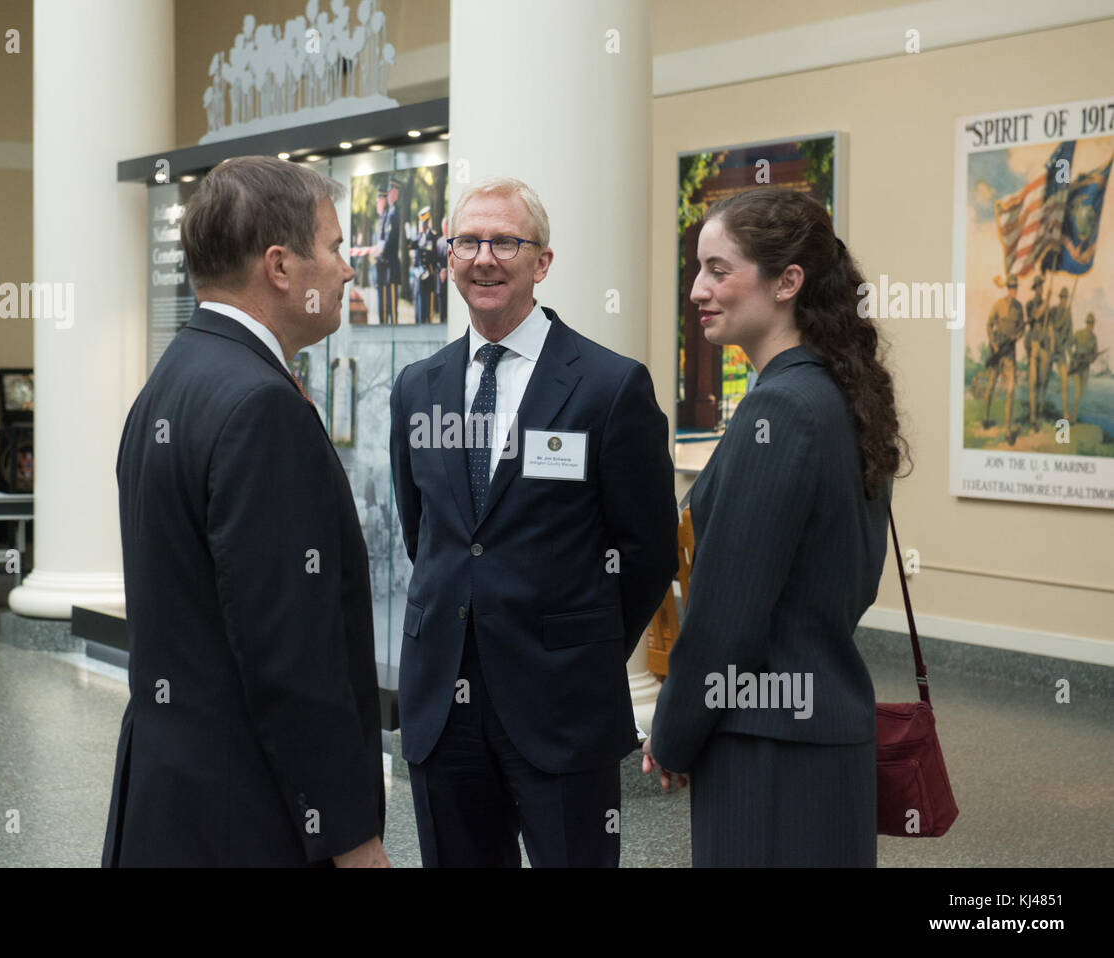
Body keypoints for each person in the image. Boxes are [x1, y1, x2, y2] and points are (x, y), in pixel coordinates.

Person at [103, 156, 388, 868]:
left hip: (173, 796)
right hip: (247, 814)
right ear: (281, 267)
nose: (347, 271)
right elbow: (290, 655)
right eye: (333, 247)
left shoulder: (170, 380)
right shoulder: (261, 406)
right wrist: (350, 837)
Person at [389, 176, 678, 867]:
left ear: (542, 262)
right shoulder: (417, 387)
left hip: (561, 707)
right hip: (443, 707)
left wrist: (579, 646)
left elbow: (647, 552)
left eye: (505, 242)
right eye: (468, 241)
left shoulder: (608, 388)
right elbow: (423, 529)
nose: (484, 257)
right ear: (448, 257)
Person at [643, 187, 908, 867]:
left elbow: (727, 617)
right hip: (822, 735)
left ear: (787, 281)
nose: (698, 288)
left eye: (719, 269)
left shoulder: (783, 411)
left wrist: (672, 733)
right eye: (697, 268)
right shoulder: (834, 395)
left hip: (769, 754)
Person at [982, 273, 1023, 441]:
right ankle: (985, 419)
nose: (1013, 290)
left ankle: (1007, 430)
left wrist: (1017, 336)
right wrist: (993, 343)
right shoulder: (998, 305)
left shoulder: (1019, 307)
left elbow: (1021, 327)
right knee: (991, 385)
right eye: (1011, 287)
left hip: (1010, 353)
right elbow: (989, 323)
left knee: (1011, 390)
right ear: (1008, 288)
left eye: (1016, 287)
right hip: (998, 351)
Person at [375, 177, 402, 323]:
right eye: (389, 192)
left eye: (392, 192)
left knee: (391, 305)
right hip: (384, 265)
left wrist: (379, 251)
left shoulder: (393, 213)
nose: (390, 195)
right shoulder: (387, 214)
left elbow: (390, 238)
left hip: (390, 265)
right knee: (384, 306)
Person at [1024, 274, 1049, 430]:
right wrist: (1046, 303)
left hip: (1044, 345)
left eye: (1042, 285)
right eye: (1038, 285)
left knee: (1043, 380)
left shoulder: (1045, 304)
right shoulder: (1030, 303)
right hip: (1034, 344)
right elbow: (1036, 315)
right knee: (1033, 382)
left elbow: (1049, 324)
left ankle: (1040, 410)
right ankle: (1033, 417)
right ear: (1035, 288)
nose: (1040, 288)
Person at [1048, 287, 1075, 421]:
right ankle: (1040, 409)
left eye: (1066, 298)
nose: (1064, 300)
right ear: (1060, 298)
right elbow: (1051, 326)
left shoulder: (1068, 313)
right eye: (1062, 298)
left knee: (1064, 381)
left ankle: (1065, 413)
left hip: (1060, 352)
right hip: (1050, 349)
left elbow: (1070, 334)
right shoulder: (1054, 310)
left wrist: (1070, 353)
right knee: (1044, 379)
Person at [411, 206, 438, 323]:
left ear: (427, 222)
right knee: (419, 300)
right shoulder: (417, 236)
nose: (422, 226)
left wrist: (429, 270)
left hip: (429, 274)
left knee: (428, 301)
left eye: (424, 223)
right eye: (421, 223)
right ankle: (419, 320)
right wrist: (417, 269)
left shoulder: (433, 236)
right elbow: (416, 256)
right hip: (419, 274)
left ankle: (428, 321)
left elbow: (435, 256)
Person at [1070, 313, 1100, 414]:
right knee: (1078, 393)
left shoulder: (1094, 338)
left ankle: (1073, 414)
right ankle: (1072, 416)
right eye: (1089, 323)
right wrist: (1072, 359)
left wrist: (1092, 358)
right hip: (1076, 366)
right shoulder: (1078, 333)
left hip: (1085, 368)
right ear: (1086, 323)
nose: (1090, 325)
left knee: (1081, 393)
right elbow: (1069, 345)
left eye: (1092, 323)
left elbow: (1094, 355)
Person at [435, 214, 451, 323]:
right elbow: (435, 259)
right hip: (440, 276)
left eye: (446, 228)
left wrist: (446, 269)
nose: (444, 230)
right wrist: (441, 270)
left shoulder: (452, 241)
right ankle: (441, 319)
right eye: (443, 228)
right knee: (441, 297)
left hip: (450, 275)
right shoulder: (439, 242)